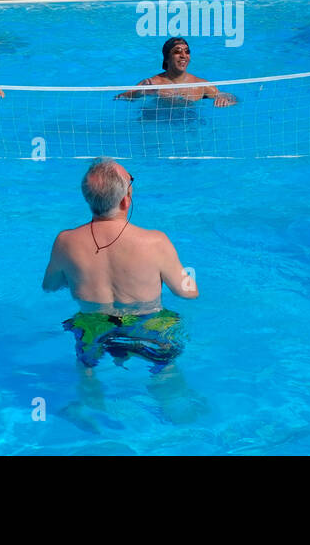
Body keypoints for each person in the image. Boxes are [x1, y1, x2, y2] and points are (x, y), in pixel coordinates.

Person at [42, 158, 198, 370]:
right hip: (148, 324)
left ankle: (87, 395)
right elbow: (187, 293)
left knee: (86, 371)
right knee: (166, 372)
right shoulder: (156, 242)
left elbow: (50, 286)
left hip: (93, 324)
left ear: (87, 199)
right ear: (126, 201)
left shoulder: (65, 242)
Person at [117, 37, 238, 107]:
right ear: (166, 58)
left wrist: (225, 99)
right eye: (177, 52)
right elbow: (119, 97)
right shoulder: (152, 83)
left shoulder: (200, 85)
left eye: (187, 51)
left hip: (189, 126)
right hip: (156, 126)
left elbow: (231, 97)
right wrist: (140, 92)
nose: (183, 56)